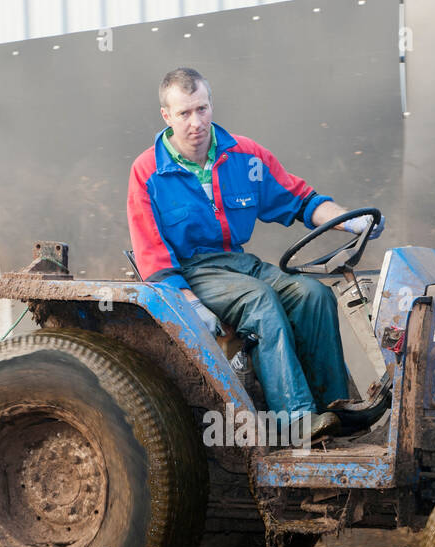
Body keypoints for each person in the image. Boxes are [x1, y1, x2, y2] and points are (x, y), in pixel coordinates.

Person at [126, 67, 385, 443]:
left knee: (313, 295)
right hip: (191, 272)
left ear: (211, 105)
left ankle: (334, 409)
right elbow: (153, 257)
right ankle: (294, 423)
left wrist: (350, 221)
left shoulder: (244, 155)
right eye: (184, 113)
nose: (196, 122)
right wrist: (190, 306)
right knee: (260, 302)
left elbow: (301, 200)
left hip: (239, 263)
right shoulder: (147, 172)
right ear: (166, 116)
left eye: (201, 109)